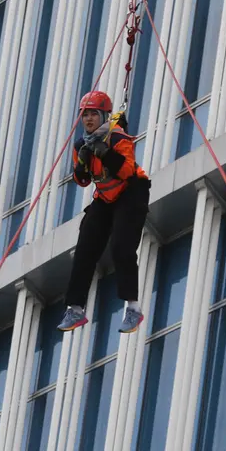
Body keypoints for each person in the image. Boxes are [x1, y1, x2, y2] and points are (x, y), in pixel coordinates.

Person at [56, 90, 151, 334]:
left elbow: (127, 171)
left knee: (121, 246)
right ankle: (75, 308)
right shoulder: (81, 145)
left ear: (103, 115)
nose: (88, 119)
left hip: (131, 191)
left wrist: (105, 153)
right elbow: (83, 181)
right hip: (105, 197)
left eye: (93, 114)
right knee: (85, 248)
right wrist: (82, 163)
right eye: (84, 115)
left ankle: (133, 307)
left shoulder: (117, 137)